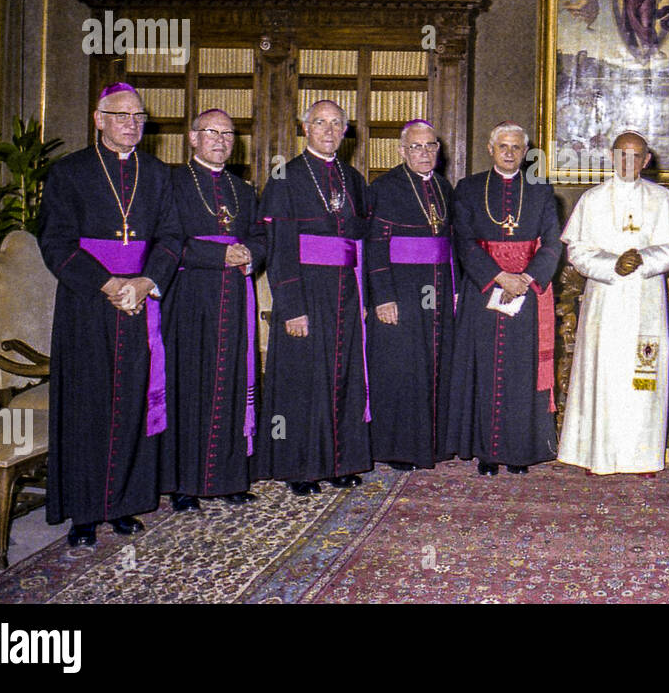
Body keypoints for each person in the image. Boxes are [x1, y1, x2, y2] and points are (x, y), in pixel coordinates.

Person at [37, 82, 183, 547]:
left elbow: (171, 238)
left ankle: (122, 504)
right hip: (87, 304)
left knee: (134, 402)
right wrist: (108, 284)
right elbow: (55, 242)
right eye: (121, 116)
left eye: (139, 117)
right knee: (87, 406)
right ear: (98, 120)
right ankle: (83, 512)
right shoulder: (69, 172)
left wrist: (143, 282)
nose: (132, 124)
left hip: (140, 300)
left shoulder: (159, 174)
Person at [557, 131, 669, 475]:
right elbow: (577, 251)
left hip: (646, 303)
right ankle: (597, 455)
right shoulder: (592, 199)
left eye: (636, 156)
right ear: (611, 157)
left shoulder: (661, 198)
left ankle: (642, 457)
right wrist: (611, 264)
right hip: (605, 302)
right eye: (622, 155)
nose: (628, 162)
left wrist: (644, 259)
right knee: (603, 375)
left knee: (642, 377)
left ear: (646, 160)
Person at [256, 99, 371, 494]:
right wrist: (291, 307)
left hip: (344, 291)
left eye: (336, 124)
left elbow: (362, 240)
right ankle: (298, 468)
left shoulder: (353, 178)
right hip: (304, 290)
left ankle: (340, 461)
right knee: (302, 381)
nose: (328, 130)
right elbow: (279, 246)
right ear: (305, 129)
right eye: (320, 122)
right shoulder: (286, 176)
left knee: (342, 376)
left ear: (344, 132)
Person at [160, 109, 265, 512]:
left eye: (228, 134)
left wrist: (250, 253)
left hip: (235, 295)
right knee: (190, 385)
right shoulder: (172, 182)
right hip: (190, 295)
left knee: (233, 382)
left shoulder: (242, 189)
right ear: (192, 137)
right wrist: (218, 253)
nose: (221, 141)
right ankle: (185, 482)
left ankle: (229, 478)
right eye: (211, 132)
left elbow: (259, 235)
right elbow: (164, 241)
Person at [446, 122, 563, 475]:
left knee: (520, 371)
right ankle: (487, 453)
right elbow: (463, 241)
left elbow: (553, 243)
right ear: (490, 148)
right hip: (483, 292)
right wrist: (499, 277)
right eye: (503, 146)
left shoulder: (542, 191)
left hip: (527, 293)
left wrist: (525, 279)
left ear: (525, 151)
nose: (509, 153)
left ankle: (519, 452)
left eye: (516, 147)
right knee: (484, 370)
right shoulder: (468, 188)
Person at [365, 119, 458, 471]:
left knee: (435, 365)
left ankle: (433, 444)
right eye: (416, 147)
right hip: (401, 291)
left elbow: (451, 245)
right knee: (401, 369)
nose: (424, 153)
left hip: (437, 288)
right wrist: (383, 297)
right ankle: (399, 448)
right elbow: (374, 245)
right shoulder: (385, 187)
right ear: (402, 151)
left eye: (431, 146)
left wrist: (456, 291)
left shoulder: (444, 187)